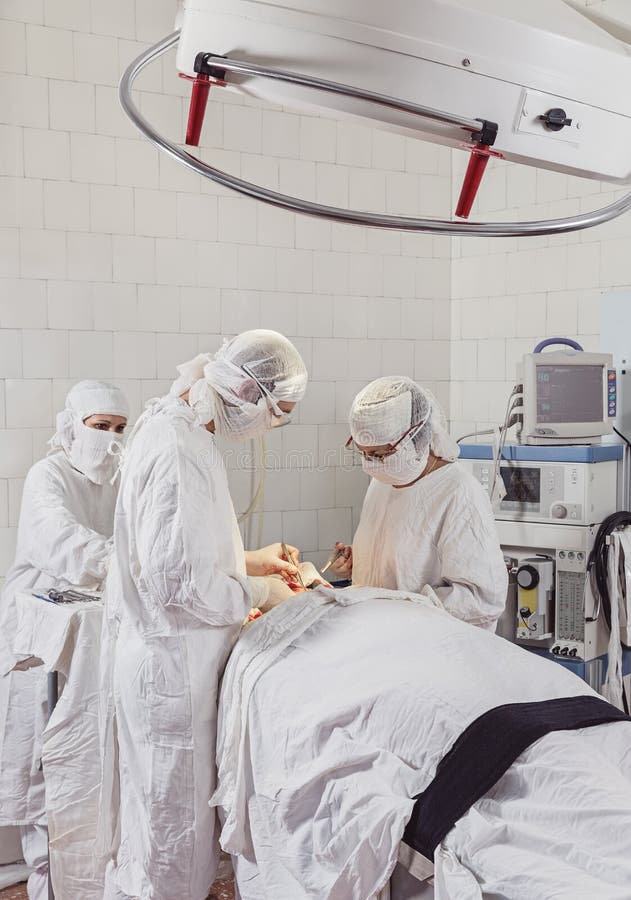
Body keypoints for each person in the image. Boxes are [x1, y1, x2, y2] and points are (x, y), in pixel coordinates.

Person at [214, 584, 631, 900]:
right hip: (431, 720)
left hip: (514, 699)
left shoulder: (385, 602)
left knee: (578, 770)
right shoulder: (268, 652)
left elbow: (468, 622)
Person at [98, 329, 308, 900]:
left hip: (169, 661)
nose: (274, 426)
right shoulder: (177, 450)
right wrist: (263, 591)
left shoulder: (181, 430)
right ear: (247, 390)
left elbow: (176, 550)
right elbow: (180, 585)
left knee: (157, 833)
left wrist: (247, 560)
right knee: (174, 843)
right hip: (169, 671)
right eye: (278, 412)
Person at [0, 381, 129, 900]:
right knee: (41, 759)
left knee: (86, 758)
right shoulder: (46, 475)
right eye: (101, 427)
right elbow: (61, 543)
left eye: (120, 429)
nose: (111, 440)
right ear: (71, 427)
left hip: (94, 632)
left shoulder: (122, 480)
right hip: (38, 634)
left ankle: (89, 878)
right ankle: (43, 878)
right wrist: (130, 565)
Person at [332, 376, 507, 631]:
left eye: (380, 454)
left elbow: (481, 601)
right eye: (363, 452)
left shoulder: (459, 493)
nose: (370, 463)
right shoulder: (384, 478)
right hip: (378, 635)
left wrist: (398, 610)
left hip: (434, 646)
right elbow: (404, 560)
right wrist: (356, 564)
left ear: (416, 438)